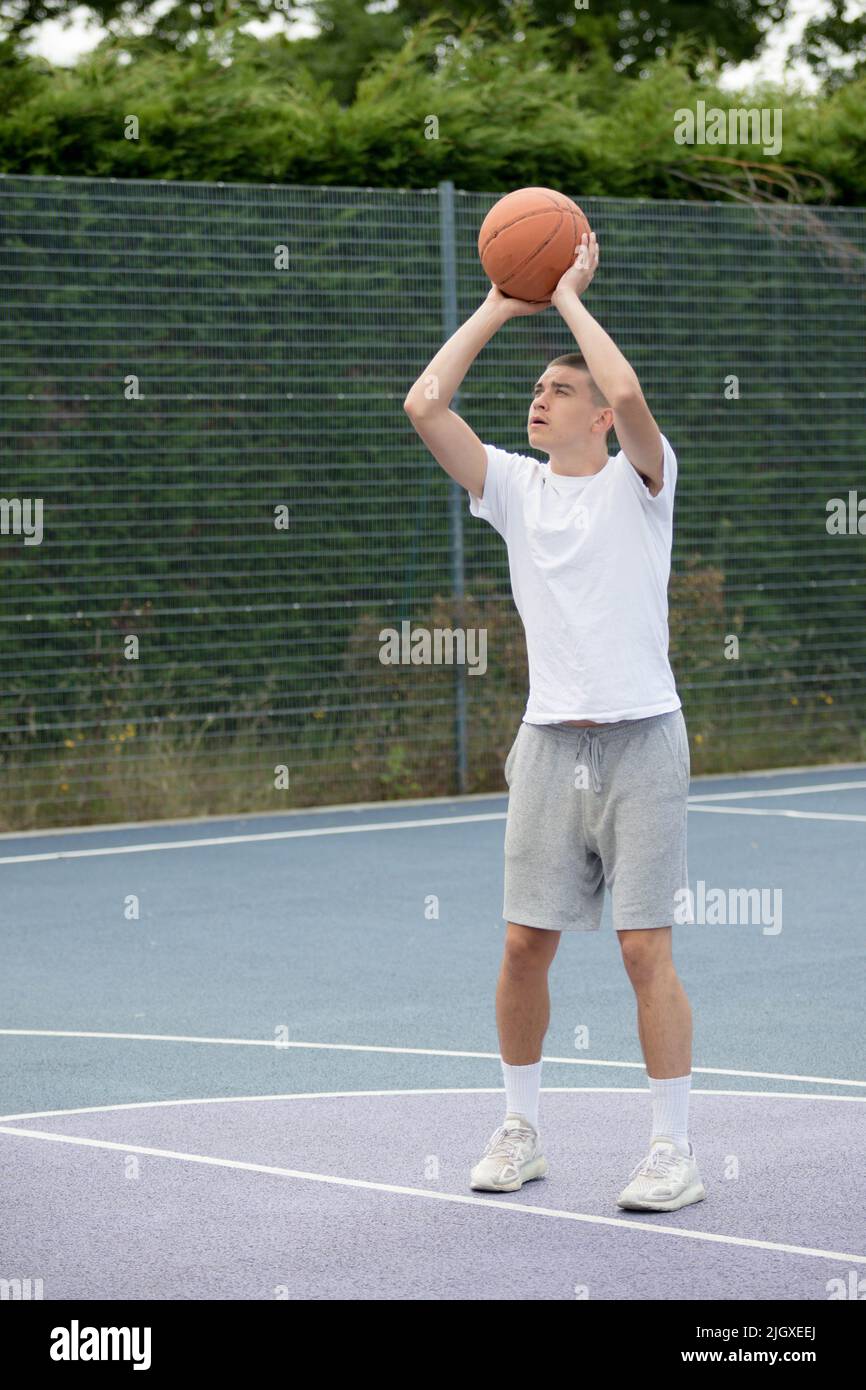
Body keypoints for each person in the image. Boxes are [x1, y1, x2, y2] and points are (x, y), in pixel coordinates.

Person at [403, 233, 704, 1213]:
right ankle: (519, 1129)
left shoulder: (642, 481)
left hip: (641, 739)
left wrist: (569, 294)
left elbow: (627, 391)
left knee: (642, 950)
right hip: (546, 745)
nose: (539, 399)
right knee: (523, 947)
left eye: (559, 390)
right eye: (536, 388)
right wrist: (501, 302)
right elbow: (424, 406)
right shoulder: (512, 488)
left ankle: (671, 1150)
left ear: (598, 419)